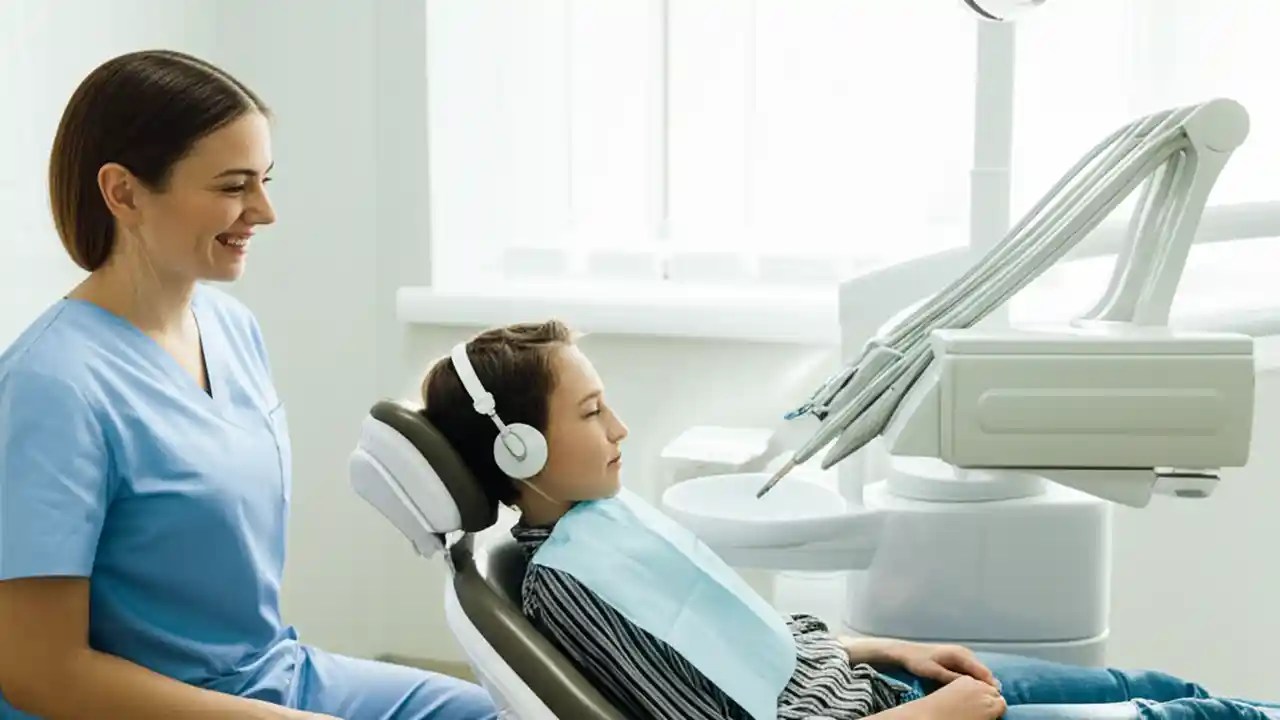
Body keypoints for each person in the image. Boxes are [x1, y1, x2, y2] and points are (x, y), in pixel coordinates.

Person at [419, 320, 1280, 720]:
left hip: (879, 691)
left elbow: (749, 646)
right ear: (523, 450)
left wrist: (885, 649)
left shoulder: (603, 527)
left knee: (1161, 689)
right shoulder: (570, 585)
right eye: (594, 412)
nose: (620, 429)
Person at [0, 50, 497, 720]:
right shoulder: (51, 387)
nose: (263, 211)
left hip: (270, 673)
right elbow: (39, 674)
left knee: (501, 711)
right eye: (233, 187)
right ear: (123, 192)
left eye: (264, 181)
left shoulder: (232, 328)